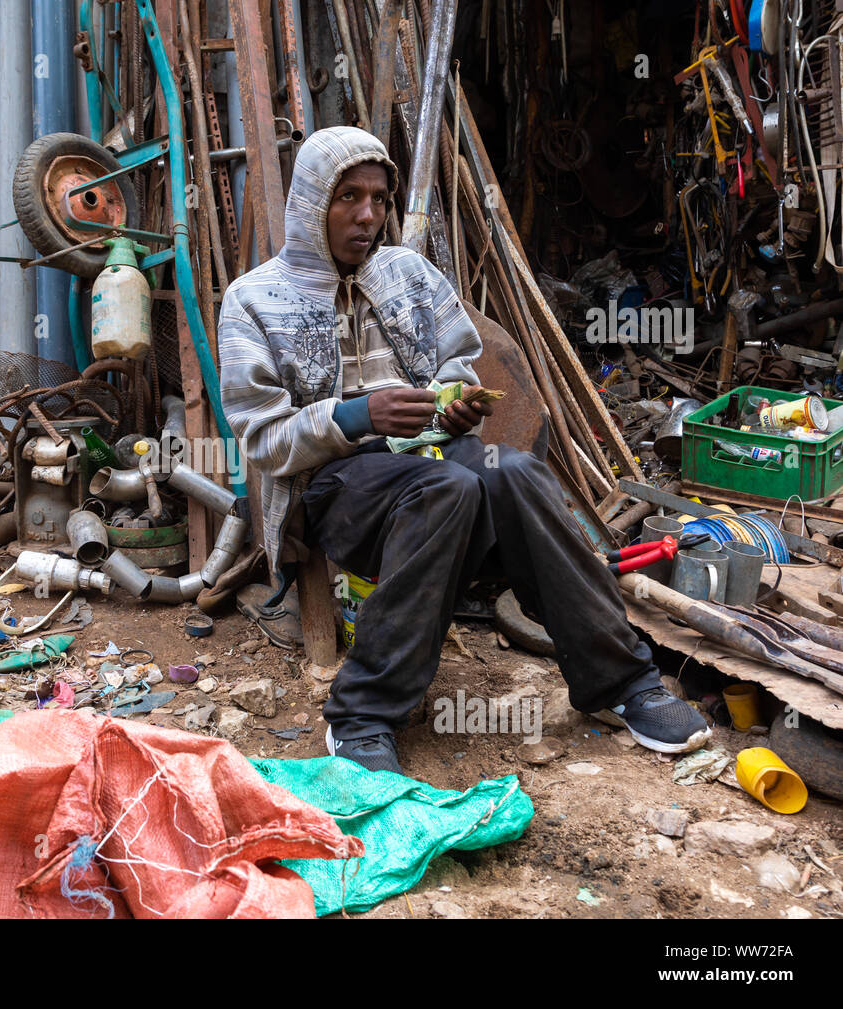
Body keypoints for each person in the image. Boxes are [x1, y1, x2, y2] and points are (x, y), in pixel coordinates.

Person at [219, 127, 710, 775]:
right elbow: (263, 438)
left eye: (377, 197)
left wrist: (453, 405)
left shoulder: (408, 274)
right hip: (334, 487)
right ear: (312, 202)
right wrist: (357, 413)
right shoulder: (255, 299)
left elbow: (461, 372)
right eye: (347, 197)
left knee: (516, 472)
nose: (367, 214)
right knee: (447, 488)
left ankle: (623, 684)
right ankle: (364, 712)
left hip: (435, 467)